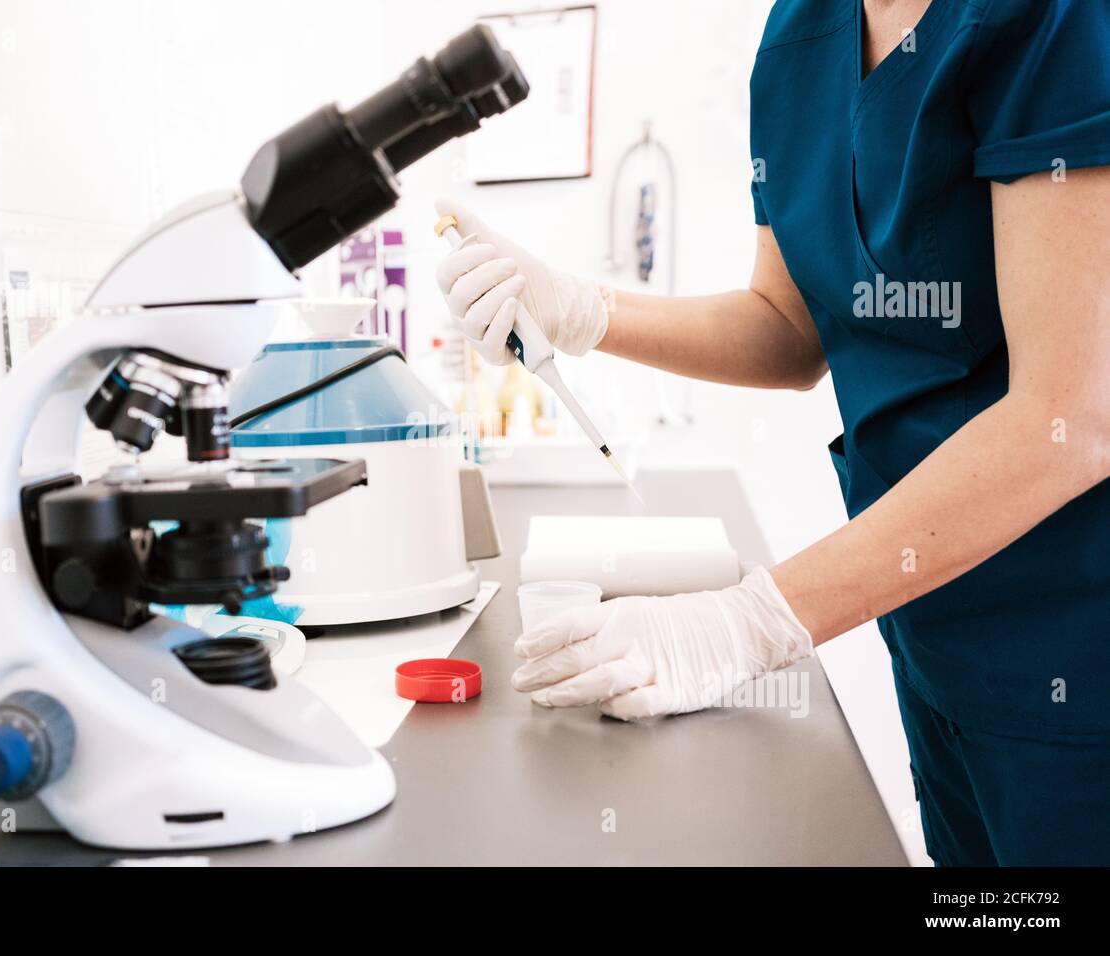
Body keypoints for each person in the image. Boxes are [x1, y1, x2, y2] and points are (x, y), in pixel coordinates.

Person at [434, 0, 1110, 866]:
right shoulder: (803, 32)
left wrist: (744, 625)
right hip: (932, 622)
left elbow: (1072, 418)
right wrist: (585, 310)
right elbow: (788, 329)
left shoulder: (1056, 19)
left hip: (1077, 641)